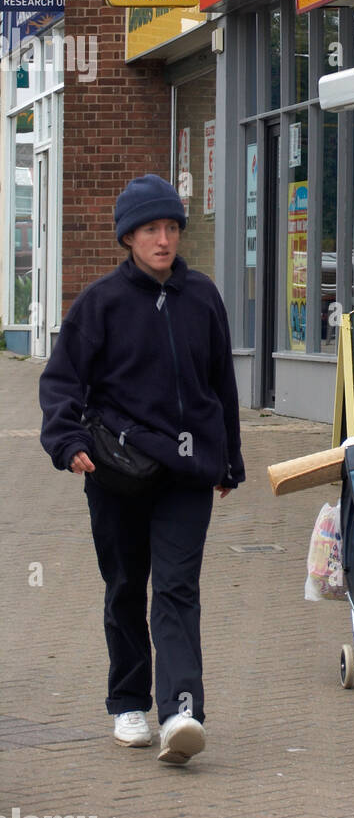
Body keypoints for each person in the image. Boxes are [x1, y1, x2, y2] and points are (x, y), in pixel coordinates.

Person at [39, 174, 245, 765]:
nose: (164, 240)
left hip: (187, 472)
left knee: (177, 588)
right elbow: (60, 383)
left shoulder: (203, 296)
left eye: (173, 228)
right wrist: (67, 441)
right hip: (118, 472)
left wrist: (228, 458)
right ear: (128, 236)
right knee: (126, 586)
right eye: (152, 229)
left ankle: (182, 710)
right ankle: (128, 701)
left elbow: (221, 386)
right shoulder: (99, 303)